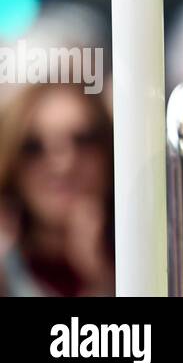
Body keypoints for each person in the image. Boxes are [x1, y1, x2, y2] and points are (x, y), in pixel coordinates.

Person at [0, 83, 114, 297]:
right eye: (34, 147)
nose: (63, 163)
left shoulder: (157, 256)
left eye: (83, 140)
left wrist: (102, 279)